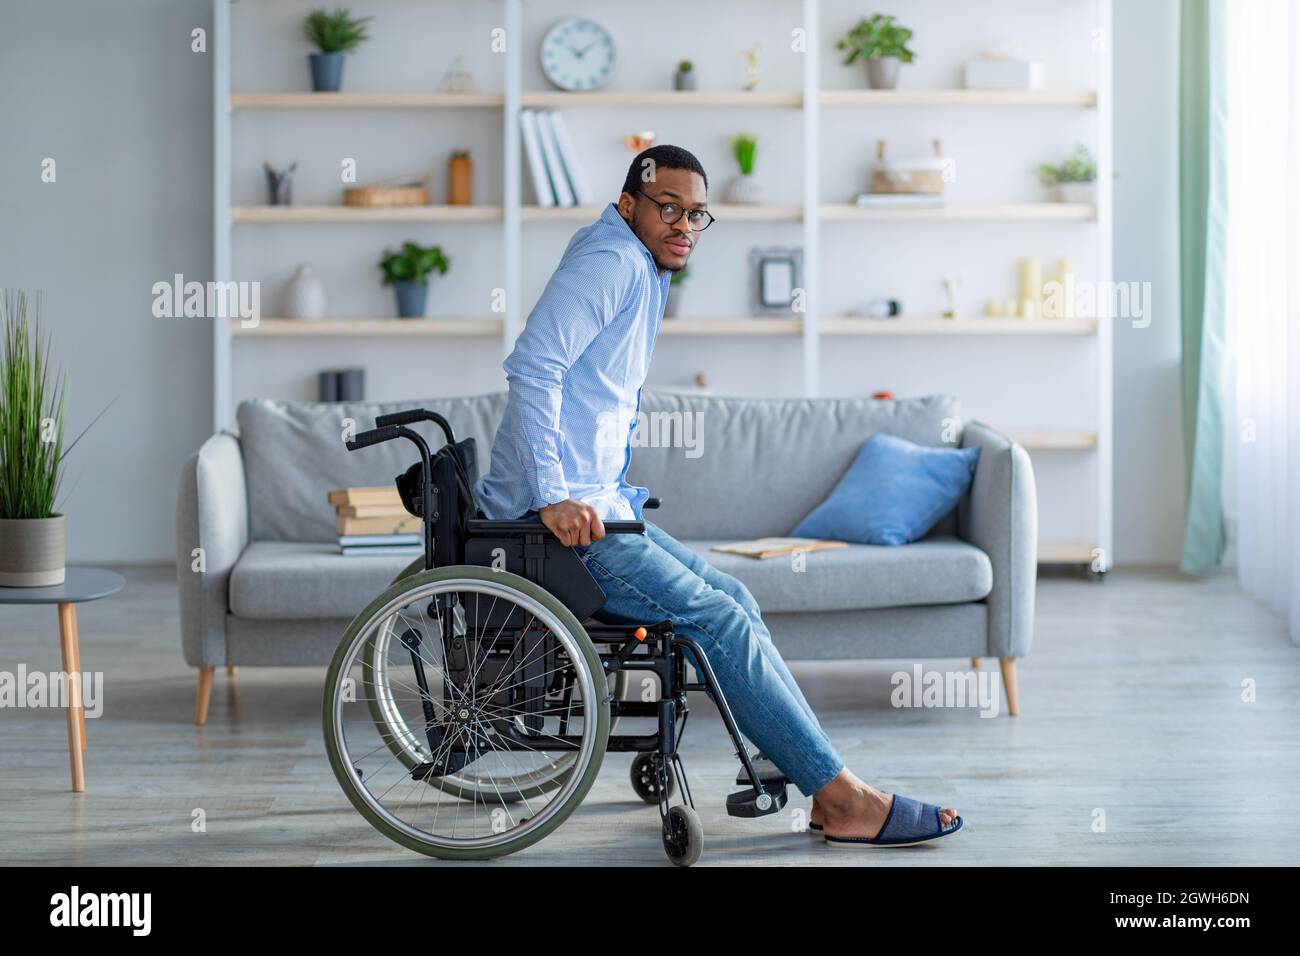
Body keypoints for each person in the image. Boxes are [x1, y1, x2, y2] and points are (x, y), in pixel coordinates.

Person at [474, 144, 962, 847]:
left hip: (601, 503)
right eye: (666, 207)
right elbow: (534, 368)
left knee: (735, 599)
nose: (682, 225)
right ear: (628, 204)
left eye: (695, 213)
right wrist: (553, 497)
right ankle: (844, 798)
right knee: (721, 622)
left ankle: (789, 759)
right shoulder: (611, 262)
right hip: (565, 528)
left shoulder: (633, 259)